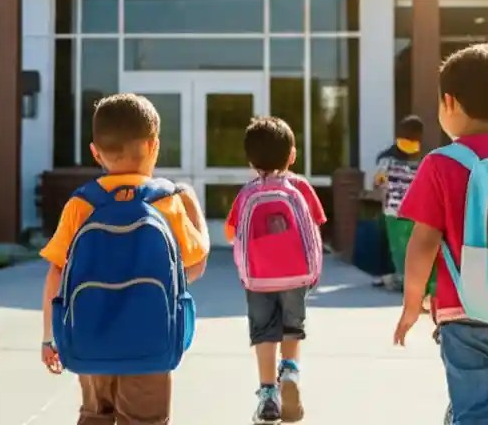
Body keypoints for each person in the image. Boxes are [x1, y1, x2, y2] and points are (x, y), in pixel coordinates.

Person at [392, 43, 488, 425]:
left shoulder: (441, 164)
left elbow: (423, 241)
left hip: (466, 312)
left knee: (478, 413)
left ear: (449, 103)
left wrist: (413, 301)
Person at [39, 93, 210, 425]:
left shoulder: (81, 204)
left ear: (95, 151)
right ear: (153, 145)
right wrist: (193, 206)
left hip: (92, 340)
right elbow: (196, 265)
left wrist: (50, 337)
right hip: (149, 343)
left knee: (94, 415)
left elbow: (56, 274)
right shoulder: (166, 201)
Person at [225, 116, 327, 425]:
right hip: (295, 275)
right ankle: (291, 372)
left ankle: (268, 393)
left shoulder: (247, 193)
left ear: (250, 160)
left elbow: (232, 234)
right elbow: (317, 223)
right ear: (292, 155)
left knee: (264, 332)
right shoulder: (300, 187)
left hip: (258, 279)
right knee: (292, 327)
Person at [372, 115, 433, 302]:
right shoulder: (423, 159)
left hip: (393, 210)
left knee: (398, 249)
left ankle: (403, 280)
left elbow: (378, 181)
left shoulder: (387, 159)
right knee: (415, 247)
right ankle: (419, 282)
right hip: (416, 211)